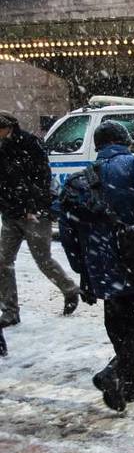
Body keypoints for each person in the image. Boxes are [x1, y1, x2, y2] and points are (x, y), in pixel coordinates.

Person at [57, 121, 134, 411]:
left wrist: (82, 268)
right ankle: (115, 372)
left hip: (101, 263)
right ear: (127, 142)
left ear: (97, 146)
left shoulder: (77, 181)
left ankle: (129, 381)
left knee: (118, 322)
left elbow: (68, 232)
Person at [0, 110, 82, 326]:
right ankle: (9, 310)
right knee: (2, 262)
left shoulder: (29, 144)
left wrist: (33, 206)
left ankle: (70, 289)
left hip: (34, 213)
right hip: (11, 213)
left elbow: (41, 176)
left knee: (43, 259)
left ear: (8, 127)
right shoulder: (2, 147)